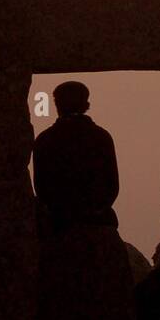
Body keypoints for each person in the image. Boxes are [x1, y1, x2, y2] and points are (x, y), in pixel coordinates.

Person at [31, 81, 120, 236]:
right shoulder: (101, 137)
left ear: (57, 104)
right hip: (97, 223)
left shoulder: (45, 139)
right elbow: (111, 185)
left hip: (57, 226)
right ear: (86, 104)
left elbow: (41, 188)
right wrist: (95, 210)